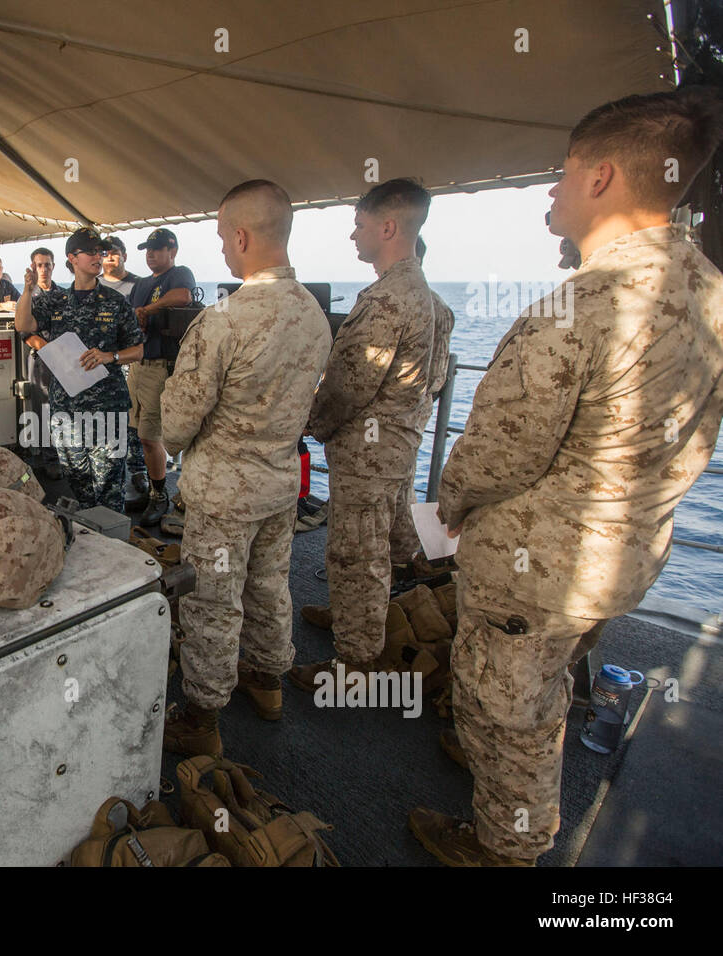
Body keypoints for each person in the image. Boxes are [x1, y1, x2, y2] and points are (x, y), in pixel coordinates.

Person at [409, 88, 723, 866]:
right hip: (628, 556)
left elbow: (494, 455)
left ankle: (504, 844)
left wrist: (448, 505)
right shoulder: (711, 291)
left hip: (537, 569)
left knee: (507, 710)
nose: (551, 190)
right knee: (544, 686)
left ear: (603, 177)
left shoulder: (582, 305)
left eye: (562, 172)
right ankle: (503, 768)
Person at [159, 181, 331, 757]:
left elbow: (178, 423)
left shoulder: (223, 320)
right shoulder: (313, 312)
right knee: (267, 586)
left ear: (240, 236)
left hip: (224, 494)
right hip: (279, 485)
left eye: (221, 238)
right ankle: (267, 683)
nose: (223, 249)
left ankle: (204, 716)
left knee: (211, 600)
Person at [288, 178, 436, 687]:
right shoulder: (427, 297)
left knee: (356, 551)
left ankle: (354, 660)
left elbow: (348, 386)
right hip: (397, 444)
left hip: (368, 452)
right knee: (382, 542)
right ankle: (359, 618)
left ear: (388, 227)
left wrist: (309, 425)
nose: (354, 237)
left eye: (360, 225)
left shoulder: (387, 300)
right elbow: (432, 384)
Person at [15, 228, 143, 511]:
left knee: (109, 489)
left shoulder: (115, 302)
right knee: (78, 484)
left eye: (101, 251)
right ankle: (90, 537)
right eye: (92, 251)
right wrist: (27, 290)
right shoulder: (56, 300)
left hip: (108, 406)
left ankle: (112, 547)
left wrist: (110, 356)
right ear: (72, 258)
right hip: (67, 408)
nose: (99, 257)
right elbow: (24, 326)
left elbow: (138, 349)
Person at [388, 236, 455, 568]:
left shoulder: (397, 302)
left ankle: (398, 563)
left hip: (392, 415)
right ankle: (405, 559)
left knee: (388, 496)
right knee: (402, 486)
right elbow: (439, 375)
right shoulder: (439, 306)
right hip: (418, 409)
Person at [129, 228, 197, 525]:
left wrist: (148, 309)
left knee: (150, 434)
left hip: (162, 366)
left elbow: (182, 297)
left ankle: (160, 495)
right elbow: (132, 315)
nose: (151, 254)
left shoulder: (179, 274)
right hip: (138, 364)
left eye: (157, 249)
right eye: (148, 249)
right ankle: (152, 487)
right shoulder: (140, 283)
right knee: (140, 432)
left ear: (173, 251)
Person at [100, 235, 149, 505]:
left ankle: (138, 470)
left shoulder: (139, 285)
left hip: (131, 360)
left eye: (115, 252)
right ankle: (111, 472)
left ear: (125, 256)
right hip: (102, 364)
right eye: (104, 253)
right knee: (110, 422)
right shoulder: (93, 286)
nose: (109, 257)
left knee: (134, 420)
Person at [23, 247, 63, 481]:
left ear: (53, 266)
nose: (44, 269)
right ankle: (49, 459)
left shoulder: (64, 295)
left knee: (63, 410)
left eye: (47, 264)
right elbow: (25, 332)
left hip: (64, 359)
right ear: (32, 267)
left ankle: (64, 456)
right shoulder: (29, 296)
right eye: (39, 265)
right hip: (42, 360)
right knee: (44, 410)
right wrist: (49, 350)